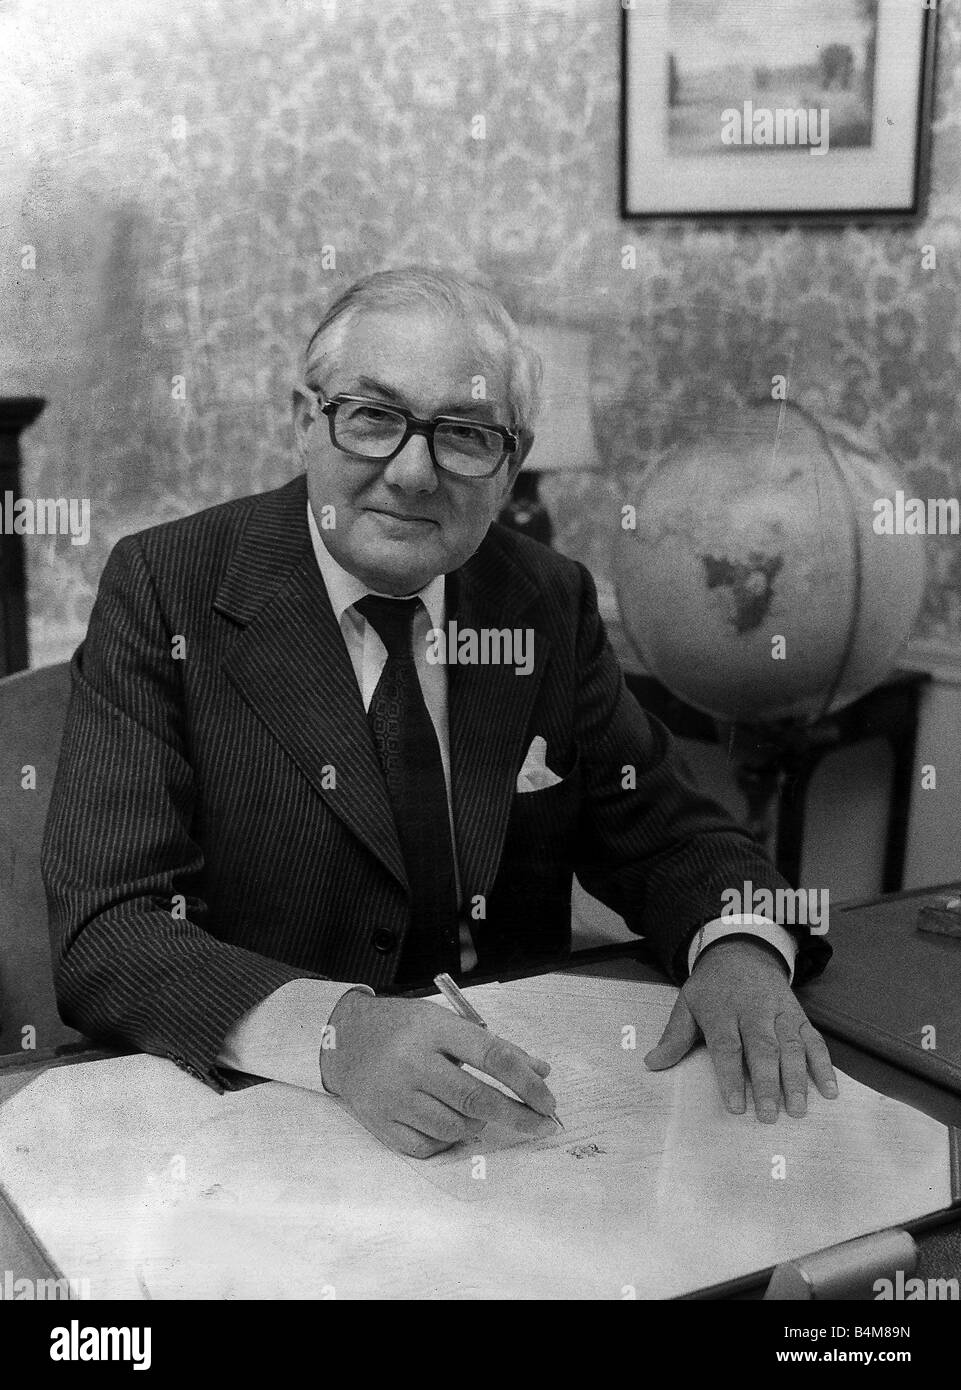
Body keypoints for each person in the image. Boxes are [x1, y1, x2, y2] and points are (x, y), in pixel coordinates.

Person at [42, 266, 835, 1159]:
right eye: (373, 416)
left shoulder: (543, 598)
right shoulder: (165, 587)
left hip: (507, 1122)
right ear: (307, 420)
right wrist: (340, 1033)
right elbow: (111, 929)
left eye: (463, 433)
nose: (413, 472)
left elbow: (668, 836)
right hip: (256, 1116)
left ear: (509, 462)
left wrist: (738, 945)